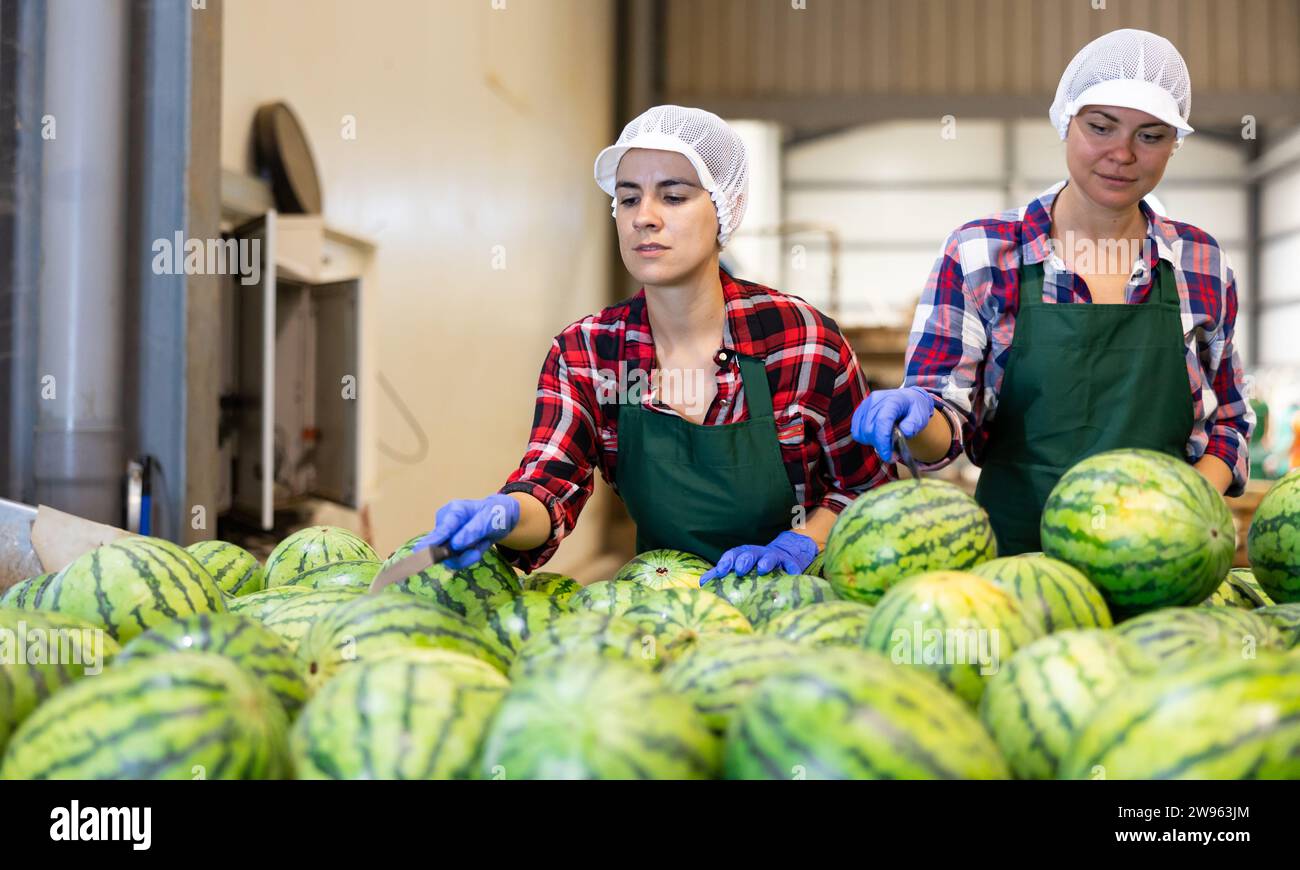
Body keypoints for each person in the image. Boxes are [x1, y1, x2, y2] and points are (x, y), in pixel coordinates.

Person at [420, 106, 889, 581]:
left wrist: (804, 542)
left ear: (725, 206)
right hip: (663, 614)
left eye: (674, 197)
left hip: (802, 607)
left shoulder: (802, 339)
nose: (644, 217)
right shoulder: (587, 353)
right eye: (628, 199)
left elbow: (867, 488)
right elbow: (549, 489)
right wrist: (505, 515)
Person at [852, 29, 1254, 556]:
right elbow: (945, 432)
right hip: (1017, 563)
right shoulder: (982, 254)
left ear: (1174, 145)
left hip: (1160, 565)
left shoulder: (1200, 261)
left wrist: (1184, 510)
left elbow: (1229, 421)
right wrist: (919, 415)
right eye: (1101, 127)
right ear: (1065, 121)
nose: (1122, 154)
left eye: (1150, 136)